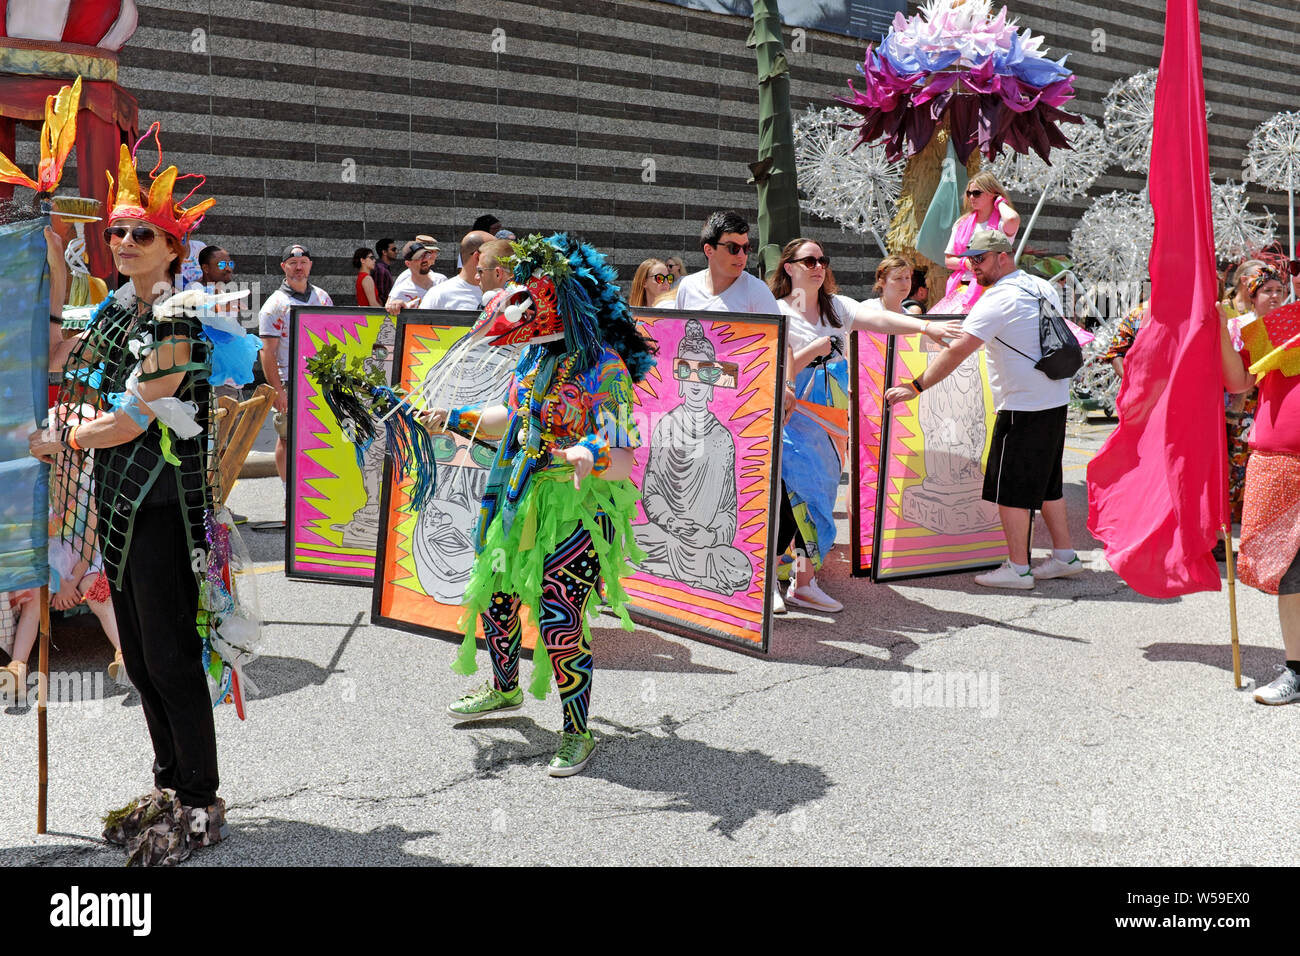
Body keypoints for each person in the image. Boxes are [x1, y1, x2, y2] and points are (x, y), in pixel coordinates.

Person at [26, 130, 260, 864]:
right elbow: (64, 345)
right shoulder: (120, 310)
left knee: (169, 657)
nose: (124, 240)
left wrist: (61, 439)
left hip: (165, 510)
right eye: (118, 229)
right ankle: (168, 786)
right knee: (143, 659)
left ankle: (200, 804)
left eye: (142, 233)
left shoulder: (177, 320)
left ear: (172, 248)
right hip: (120, 508)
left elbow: (131, 417)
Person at [421, 233, 655, 777]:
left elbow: (624, 454)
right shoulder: (532, 357)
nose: (518, 302)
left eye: (532, 294)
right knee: (498, 595)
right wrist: (454, 417)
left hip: (576, 508)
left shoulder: (605, 367)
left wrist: (588, 453)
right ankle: (506, 690)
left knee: (559, 620)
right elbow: (510, 419)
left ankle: (577, 732)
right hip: (519, 492)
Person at [884, 230, 1083, 589]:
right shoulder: (1040, 286)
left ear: (1002, 257)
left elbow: (958, 349)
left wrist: (915, 386)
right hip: (1054, 398)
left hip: (1023, 405)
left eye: (979, 258)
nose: (972, 266)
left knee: (1009, 489)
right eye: (969, 259)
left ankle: (1018, 568)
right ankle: (1065, 555)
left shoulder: (998, 300)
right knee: (1048, 484)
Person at [771, 240, 960, 613]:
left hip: (832, 423)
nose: (818, 267)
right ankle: (772, 582)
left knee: (820, 501)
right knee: (789, 501)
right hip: (793, 420)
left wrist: (924, 328)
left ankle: (805, 582)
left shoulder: (837, 307)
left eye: (822, 260)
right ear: (789, 267)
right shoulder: (778, 311)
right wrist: (816, 349)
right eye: (809, 261)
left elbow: (882, 320)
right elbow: (776, 367)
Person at [1220, 264, 1300, 704]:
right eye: (1265, 289)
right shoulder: (1274, 329)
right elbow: (1238, 381)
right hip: (1275, 461)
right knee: (1289, 573)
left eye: (1279, 288)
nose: (1276, 294)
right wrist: (1218, 324)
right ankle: (1297, 669)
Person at [258, 243, 334, 487]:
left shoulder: (322, 297)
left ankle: (312, 492)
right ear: (284, 267)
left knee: (318, 437)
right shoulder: (275, 305)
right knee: (288, 439)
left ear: (310, 264)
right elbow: (267, 353)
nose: (299, 267)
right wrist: (278, 391)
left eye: (303, 263)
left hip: (319, 380)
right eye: (293, 263)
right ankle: (288, 493)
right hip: (289, 380)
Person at [932, 171, 1020, 314]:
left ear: (992, 193)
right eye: (969, 193)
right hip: (964, 289)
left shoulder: (1001, 223)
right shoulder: (962, 223)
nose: (971, 197)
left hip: (994, 290)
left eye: (977, 193)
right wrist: (966, 263)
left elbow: (1013, 219)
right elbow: (948, 260)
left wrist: (1000, 202)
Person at [675, 211, 781, 313]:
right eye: (732, 248)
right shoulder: (687, 287)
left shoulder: (758, 292)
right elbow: (676, 330)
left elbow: (775, 331)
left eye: (746, 248)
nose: (741, 255)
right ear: (709, 250)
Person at [421, 231, 493, 310]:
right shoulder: (438, 295)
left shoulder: (504, 294)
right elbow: (419, 322)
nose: (501, 262)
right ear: (477, 257)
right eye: (495, 257)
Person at [385, 239, 442, 313]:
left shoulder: (441, 280)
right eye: (419, 257)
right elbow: (390, 306)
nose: (425, 259)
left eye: (426, 254)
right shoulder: (404, 281)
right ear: (408, 264)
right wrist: (396, 306)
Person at [373, 237, 397, 303]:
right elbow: (380, 296)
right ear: (384, 252)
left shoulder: (383, 268)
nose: (396, 252)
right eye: (393, 249)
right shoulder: (381, 270)